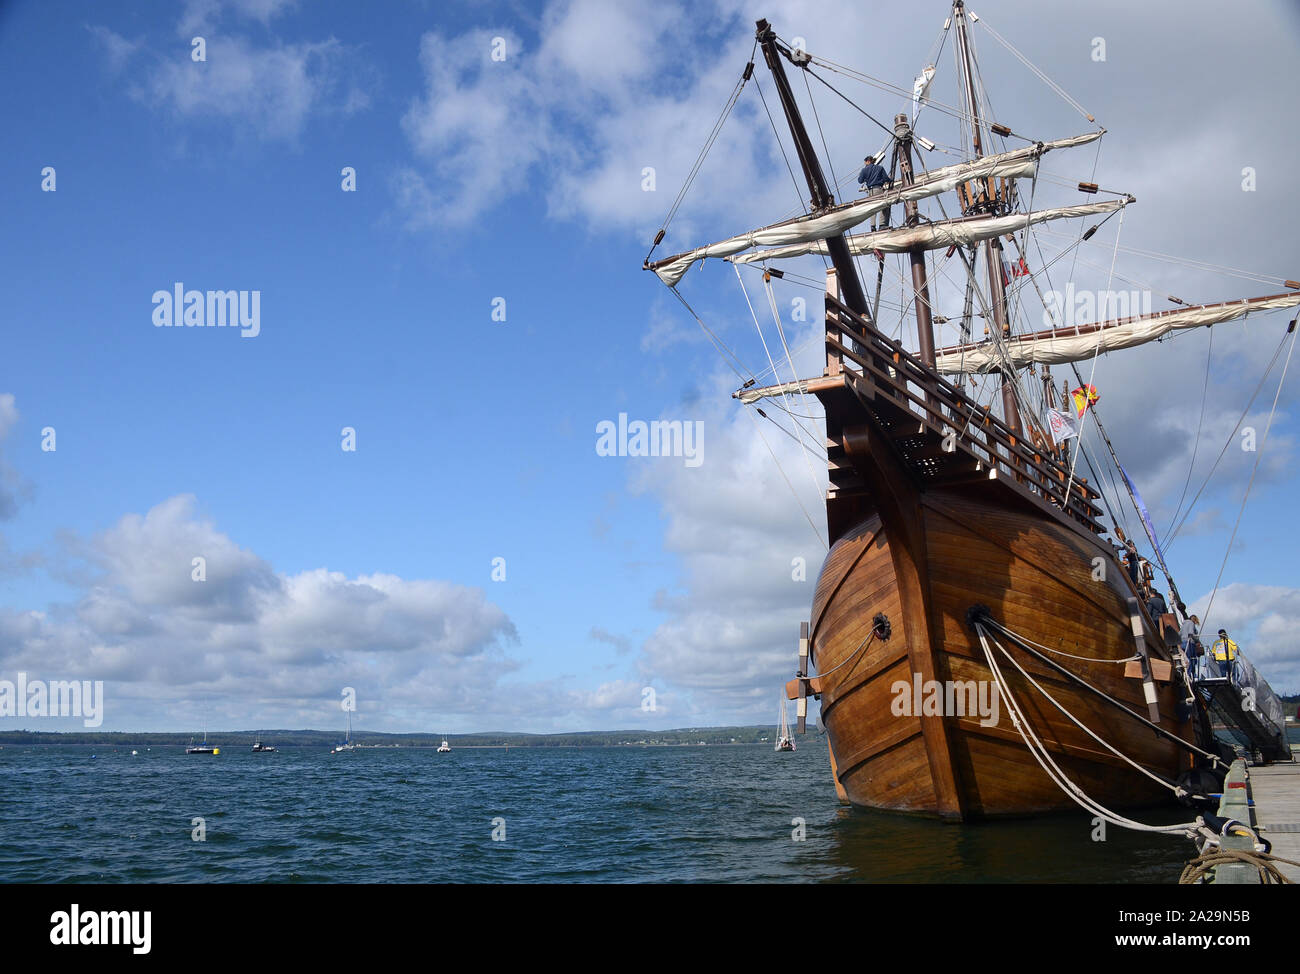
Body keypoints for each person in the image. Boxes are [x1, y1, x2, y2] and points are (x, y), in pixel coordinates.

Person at [857, 156, 892, 231]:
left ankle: (872, 226)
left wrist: (862, 173)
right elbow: (886, 179)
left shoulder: (864, 170)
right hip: (878, 189)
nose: (865, 164)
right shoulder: (880, 168)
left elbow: (860, 181)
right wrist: (890, 180)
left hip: (870, 192)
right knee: (884, 206)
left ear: (868, 161)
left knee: (872, 208)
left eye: (865, 163)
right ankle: (882, 224)